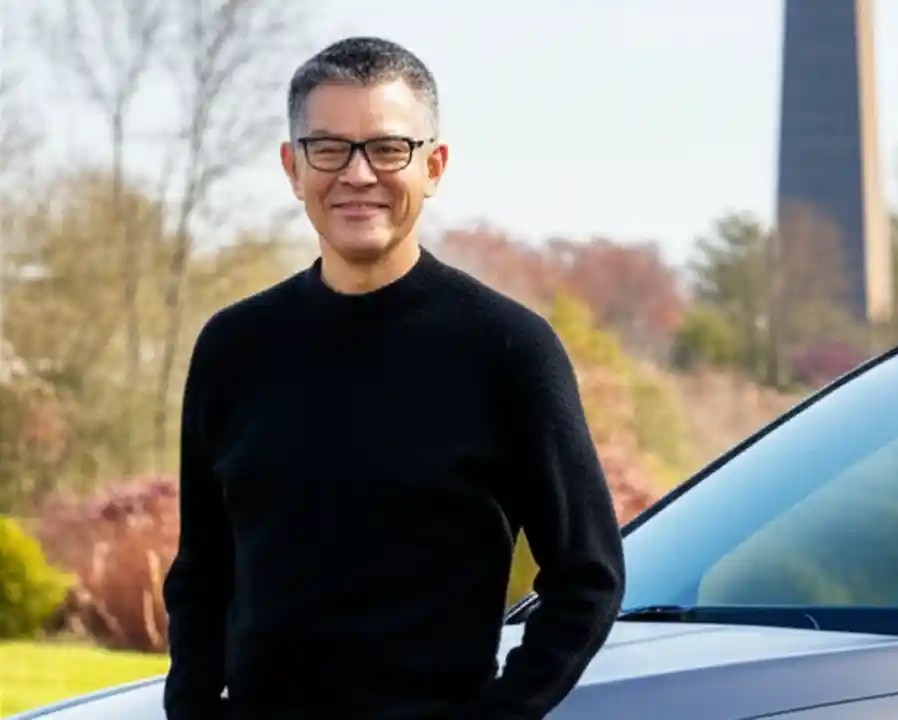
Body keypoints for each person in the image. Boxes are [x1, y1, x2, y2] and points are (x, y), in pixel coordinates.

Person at [161, 36, 625, 720]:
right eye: (329, 147)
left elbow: (587, 577)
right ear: (293, 168)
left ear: (433, 165)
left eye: (387, 148)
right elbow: (201, 575)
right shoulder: (234, 347)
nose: (357, 174)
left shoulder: (508, 350)